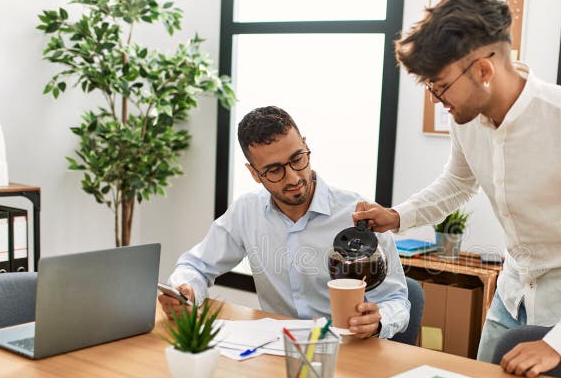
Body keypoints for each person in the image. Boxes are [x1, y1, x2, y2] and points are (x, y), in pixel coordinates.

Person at [353, 0, 561, 377]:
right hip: (512, 291)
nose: (436, 100)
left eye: (439, 86)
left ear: (483, 70)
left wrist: (555, 344)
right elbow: (458, 183)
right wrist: (396, 216)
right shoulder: (468, 120)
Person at [159, 106, 410, 340]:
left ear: (306, 146)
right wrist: (187, 290)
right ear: (254, 173)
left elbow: (397, 300)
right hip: (277, 348)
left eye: (298, 158)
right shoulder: (247, 211)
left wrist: (378, 321)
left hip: (347, 349)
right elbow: (196, 265)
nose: (293, 177)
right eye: (274, 170)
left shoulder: (360, 215)